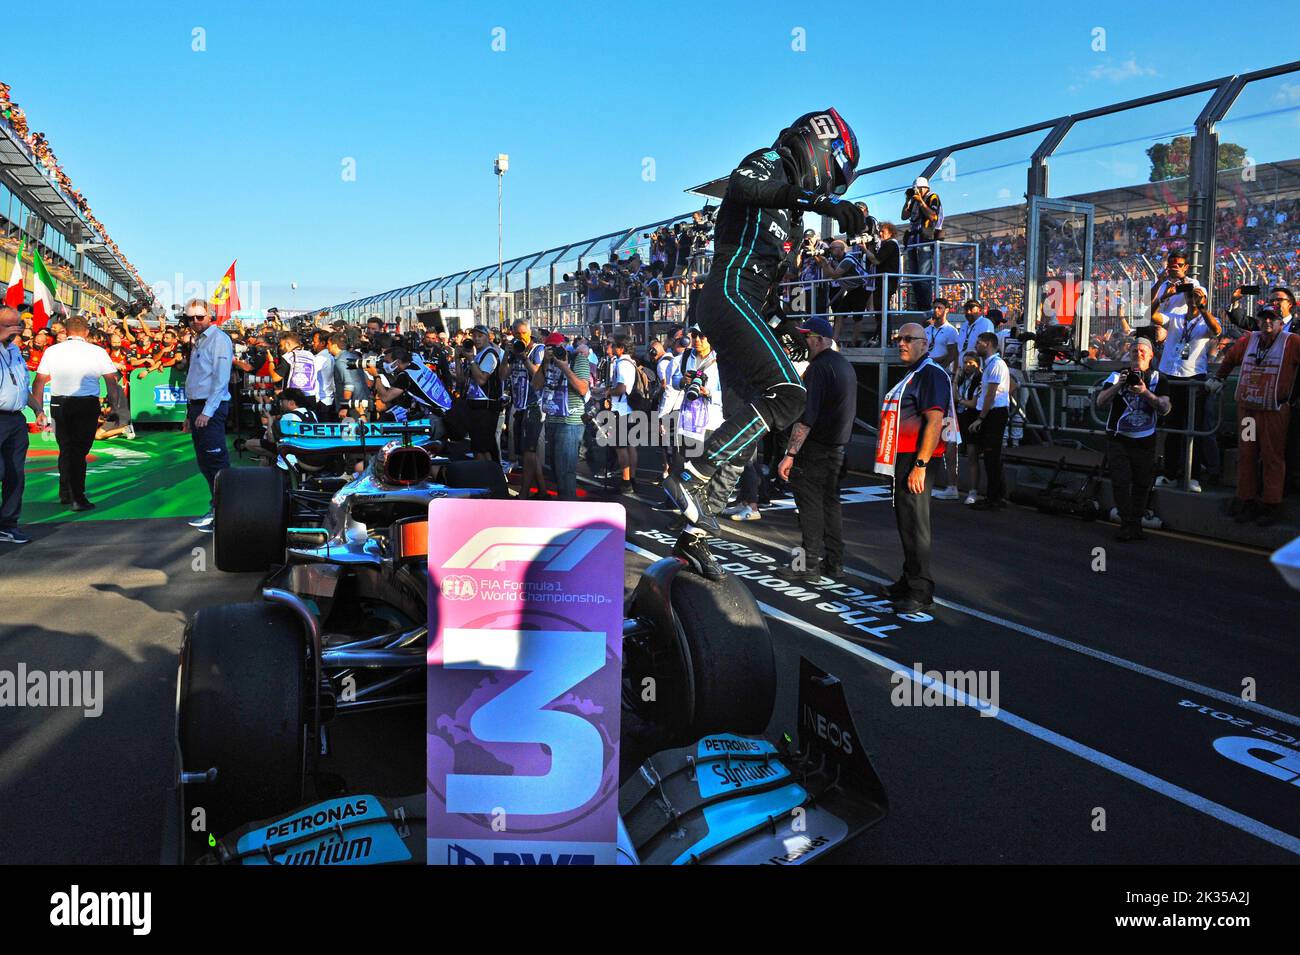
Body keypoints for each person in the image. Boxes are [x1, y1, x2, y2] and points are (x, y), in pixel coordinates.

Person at [660, 108, 864, 579]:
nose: (831, 190)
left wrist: (787, 328)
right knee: (790, 396)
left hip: (744, 304)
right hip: (724, 295)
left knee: (747, 425)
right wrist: (819, 202)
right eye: (833, 178)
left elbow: (766, 294)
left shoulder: (791, 221)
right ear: (820, 147)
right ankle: (692, 475)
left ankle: (693, 535)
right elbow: (741, 186)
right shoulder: (768, 162)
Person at [874, 321, 958, 611]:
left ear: (926, 344)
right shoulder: (916, 373)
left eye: (909, 339)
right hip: (905, 458)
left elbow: (934, 421)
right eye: (899, 338)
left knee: (915, 523)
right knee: (905, 521)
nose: (901, 343)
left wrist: (920, 465)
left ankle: (921, 591)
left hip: (917, 458)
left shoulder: (931, 373)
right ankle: (909, 579)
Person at [775, 317, 856, 581]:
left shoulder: (818, 369)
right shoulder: (844, 365)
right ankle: (834, 562)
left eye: (807, 336)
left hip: (815, 450)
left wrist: (789, 454)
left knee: (808, 508)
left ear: (820, 339)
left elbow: (806, 417)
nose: (804, 341)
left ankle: (808, 564)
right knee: (831, 506)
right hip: (837, 449)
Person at [1210, 307, 1300, 527]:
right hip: (1249, 410)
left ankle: (1271, 504)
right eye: (1264, 318)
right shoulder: (1249, 341)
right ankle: (1246, 499)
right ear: (1258, 321)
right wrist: (1219, 377)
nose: (1268, 322)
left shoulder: (1292, 341)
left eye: (1273, 319)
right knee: (1248, 452)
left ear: (1281, 323)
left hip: (1274, 411)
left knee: (1272, 456)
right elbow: (1230, 358)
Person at [31, 315, 125, 511]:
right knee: (79, 452)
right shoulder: (97, 351)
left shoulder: (52, 351)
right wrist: (115, 407)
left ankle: (66, 491)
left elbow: (39, 381)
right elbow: (111, 381)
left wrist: (38, 410)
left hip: (59, 404)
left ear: (65, 331)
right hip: (86, 405)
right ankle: (77, 496)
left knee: (66, 448)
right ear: (87, 332)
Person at [1150, 251, 1220, 492]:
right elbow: (1151, 316)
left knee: (1195, 427)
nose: (1192, 300)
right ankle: (1169, 473)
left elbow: (1217, 329)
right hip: (1171, 373)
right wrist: (1163, 295)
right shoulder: (1175, 317)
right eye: (1191, 298)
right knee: (1172, 427)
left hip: (1194, 376)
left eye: (1197, 298)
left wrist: (1202, 307)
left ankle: (1193, 475)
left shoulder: (1204, 319)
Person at [1095, 338, 1171, 541]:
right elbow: (1100, 401)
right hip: (1118, 437)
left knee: (1142, 482)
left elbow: (1165, 407)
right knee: (1120, 481)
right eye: (1135, 350)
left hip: (1144, 439)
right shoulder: (1116, 376)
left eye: (1143, 350)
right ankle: (1126, 523)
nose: (1138, 353)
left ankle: (1135, 523)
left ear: (1151, 355)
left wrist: (1145, 393)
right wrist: (1118, 385)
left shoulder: (1158, 379)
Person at [181, 298, 234, 532]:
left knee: (216, 462)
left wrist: (207, 411)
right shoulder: (198, 341)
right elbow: (195, 378)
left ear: (209, 316)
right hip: (197, 407)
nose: (195, 321)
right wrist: (189, 413)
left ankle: (227, 513)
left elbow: (221, 379)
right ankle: (218, 509)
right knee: (205, 462)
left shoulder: (219, 339)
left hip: (210, 407)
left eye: (199, 317)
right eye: (190, 318)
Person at [534, 332, 590, 501]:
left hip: (570, 422)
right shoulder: (547, 362)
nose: (555, 351)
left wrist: (564, 366)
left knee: (565, 470)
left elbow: (582, 388)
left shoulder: (577, 359)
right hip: (552, 419)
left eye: (558, 347)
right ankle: (563, 504)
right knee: (555, 469)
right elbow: (536, 385)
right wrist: (544, 362)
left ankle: (568, 507)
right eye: (550, 348)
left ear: (565, 346)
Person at [0, 305, 35, 543]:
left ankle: (8, 524)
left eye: (17, 326)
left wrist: (38, 408)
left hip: (16, 420)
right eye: (10, 326)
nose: (15, 331)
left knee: (15, 473)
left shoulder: (15, 350)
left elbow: (23, 386)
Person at [968, 332, 1011, 511]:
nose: (976, 345)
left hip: (994, 414)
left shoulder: (996, 365)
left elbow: (991, 395)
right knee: (990, 457)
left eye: (979, 342)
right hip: (991, 413)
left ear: (988, 344)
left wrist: (981, 418)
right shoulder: (990, 365)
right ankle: (997, 495)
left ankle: (993, 498)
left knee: (991, 456)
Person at [504, 319, 546, 497]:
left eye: (523, 333)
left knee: (530, 451)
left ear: (530, 332)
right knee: (526, 453)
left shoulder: (538, 350)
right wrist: (507, 356)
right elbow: (502, 375)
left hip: (534, 405)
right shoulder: (513, 350)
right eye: (516, 333)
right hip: (518, 406)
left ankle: (524, 492)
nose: (520, 336)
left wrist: (523, 357)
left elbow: (537, 374)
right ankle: (542, 491)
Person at [925, 300, 962, 501]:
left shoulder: (950, 331)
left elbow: (952, 355)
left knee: (948, 433)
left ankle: (952, 484)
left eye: (940, 308)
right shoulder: (926, 329)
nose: (936, 311)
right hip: (927, 380)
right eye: (935, 307)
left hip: (943, 380)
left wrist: (932, 363)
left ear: (947, 310)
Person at [902, 176, 943, 311]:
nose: (916, 191)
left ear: (924, 188)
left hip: (926, 238)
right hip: (913, 240)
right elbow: (904, 216)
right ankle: (919, 306)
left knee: (923, 276)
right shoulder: (914, 200)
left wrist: (921, 202)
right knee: (914, 277)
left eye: (918, 189)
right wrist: (908, 200)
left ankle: (926, 308)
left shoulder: (933, 197)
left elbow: (932, 216)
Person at [327, 332, 371, 419]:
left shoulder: (340, 362)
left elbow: (349, 385)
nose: (327, 347)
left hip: (353, 408)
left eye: (328, 344)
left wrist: (345, 407)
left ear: (335, 346)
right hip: (362, 404)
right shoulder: (353, 356)